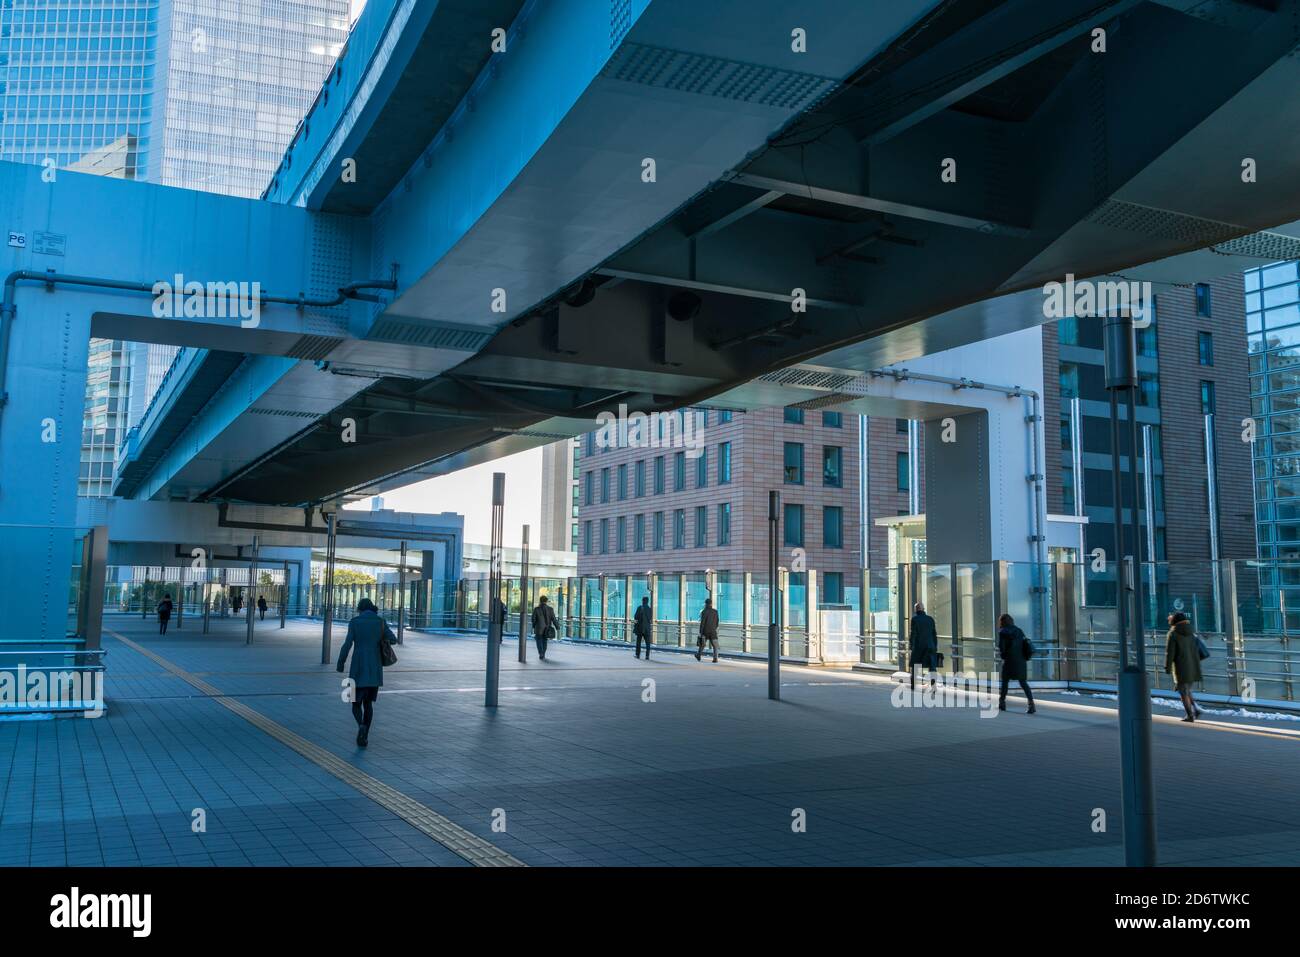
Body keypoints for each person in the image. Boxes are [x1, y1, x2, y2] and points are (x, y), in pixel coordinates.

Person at [336, 597, 396, 747]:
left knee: (355, 703)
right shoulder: (380, 621)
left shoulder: (355, 622)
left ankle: (361, 726)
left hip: (357, 668)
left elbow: (347, 644)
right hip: (374, 668)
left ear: (360, 609)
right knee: (368, 703)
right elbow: (393, 639)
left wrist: (340, 663)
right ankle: (365, 736)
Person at [1165, 611, 1204, 722]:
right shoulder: (1191, 632)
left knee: (1183, 692)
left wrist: (1167, 667)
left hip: (1181, 667)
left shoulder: (1173, 633)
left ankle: (1190, 715)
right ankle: (1196, 710)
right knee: (1186, 690)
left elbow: (1170, 653)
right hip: (1193, 665)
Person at [996, 613, 1036, 713]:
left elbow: (1002, 648)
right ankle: (1031, 704)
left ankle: (1002, 703)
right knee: (1023, 682)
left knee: (1005, 682)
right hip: (1021, 661)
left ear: (1002, 622)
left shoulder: (1003, 632)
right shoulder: (1019, 631)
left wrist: (1003, 656)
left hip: (1009, 661)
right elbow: (1024, 645)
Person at [908, 601, 939, 690]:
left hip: (919, 647)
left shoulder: (915, 619)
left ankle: (913, 686)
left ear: (916, 610)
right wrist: (935, 646)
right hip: (930, 647)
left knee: (915, 667)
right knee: (932, 668)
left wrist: (911, 646)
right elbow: (934, 634)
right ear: (923, 609)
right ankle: (933, 686)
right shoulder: (930, 619)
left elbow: (913, 634)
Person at [531, 594, 557, 660]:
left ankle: (541, 653)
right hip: (547, 629)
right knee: (544, 641)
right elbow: (554, 619)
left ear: (540, 601)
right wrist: (557, 626)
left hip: (539, 628)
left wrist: (534, 625)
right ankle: (543, 653)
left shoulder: (536, 609)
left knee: (539, 641)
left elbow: (533, 619)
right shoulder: (550, 609)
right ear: (546, 601)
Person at [696, 597, 719, 662]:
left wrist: (701, 632)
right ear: (711, 604)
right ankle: (715, 659)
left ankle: (698, 655)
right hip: (713, 631)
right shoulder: (715, 611)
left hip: (705, 631)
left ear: (706, 604)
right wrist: (714, 628)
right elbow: (717, 621)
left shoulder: (704, 611)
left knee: (702, 644)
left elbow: (702, 623)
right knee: (715, 646)